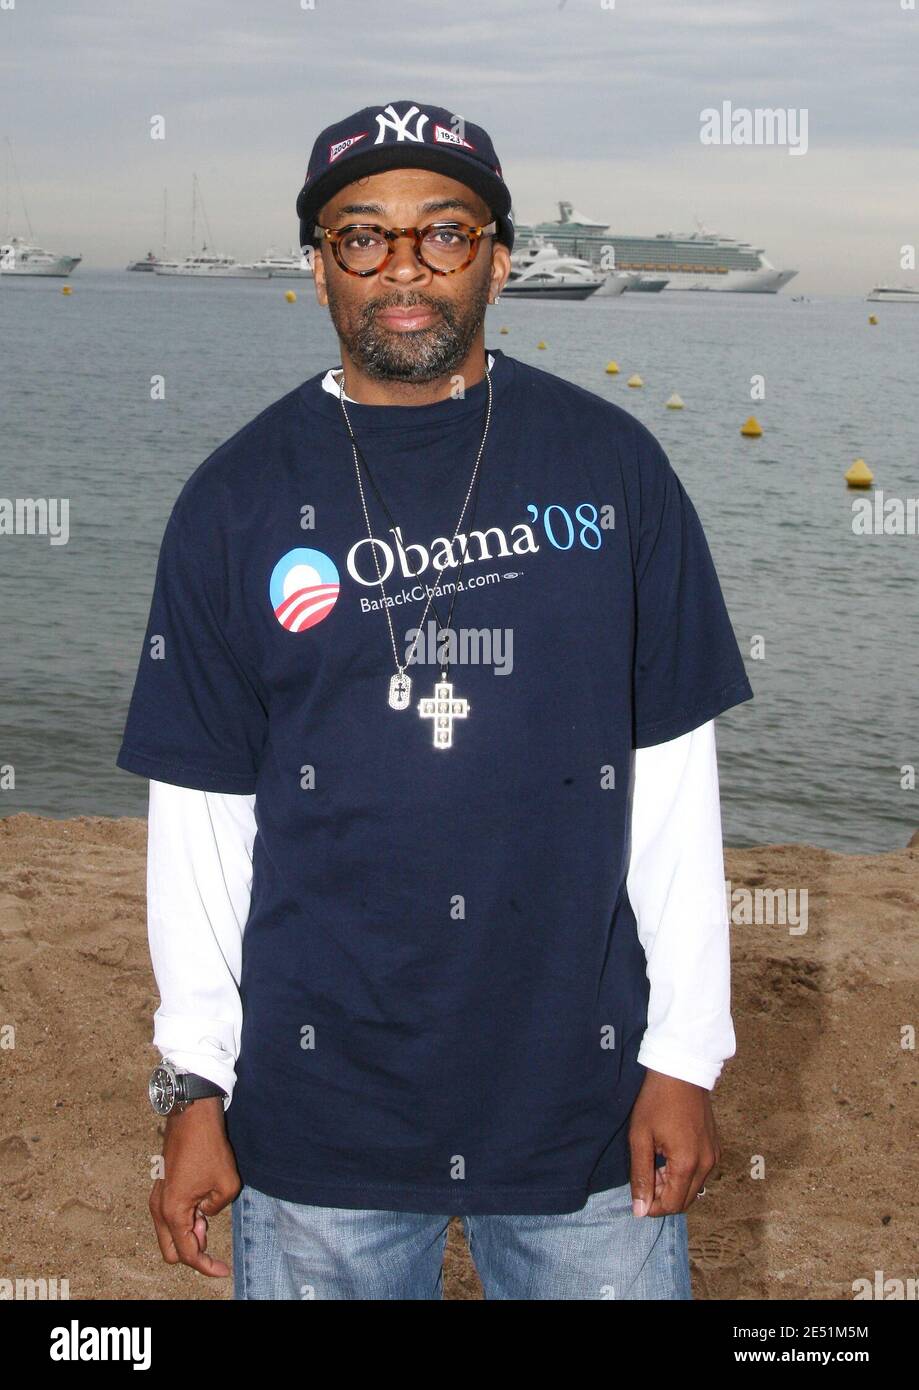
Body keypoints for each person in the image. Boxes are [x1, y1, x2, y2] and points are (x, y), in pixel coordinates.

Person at [117, 99, 754, 1300]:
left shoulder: (613, 469)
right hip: (316, 1106)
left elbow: (673, 781)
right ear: (318, 270)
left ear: (497, 258)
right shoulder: (233, 500)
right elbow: (202, 821)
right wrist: (194, 1083)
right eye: (361, 235)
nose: (401, 266)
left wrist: (683, 1056)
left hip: (584, 1090)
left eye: (442, 233)